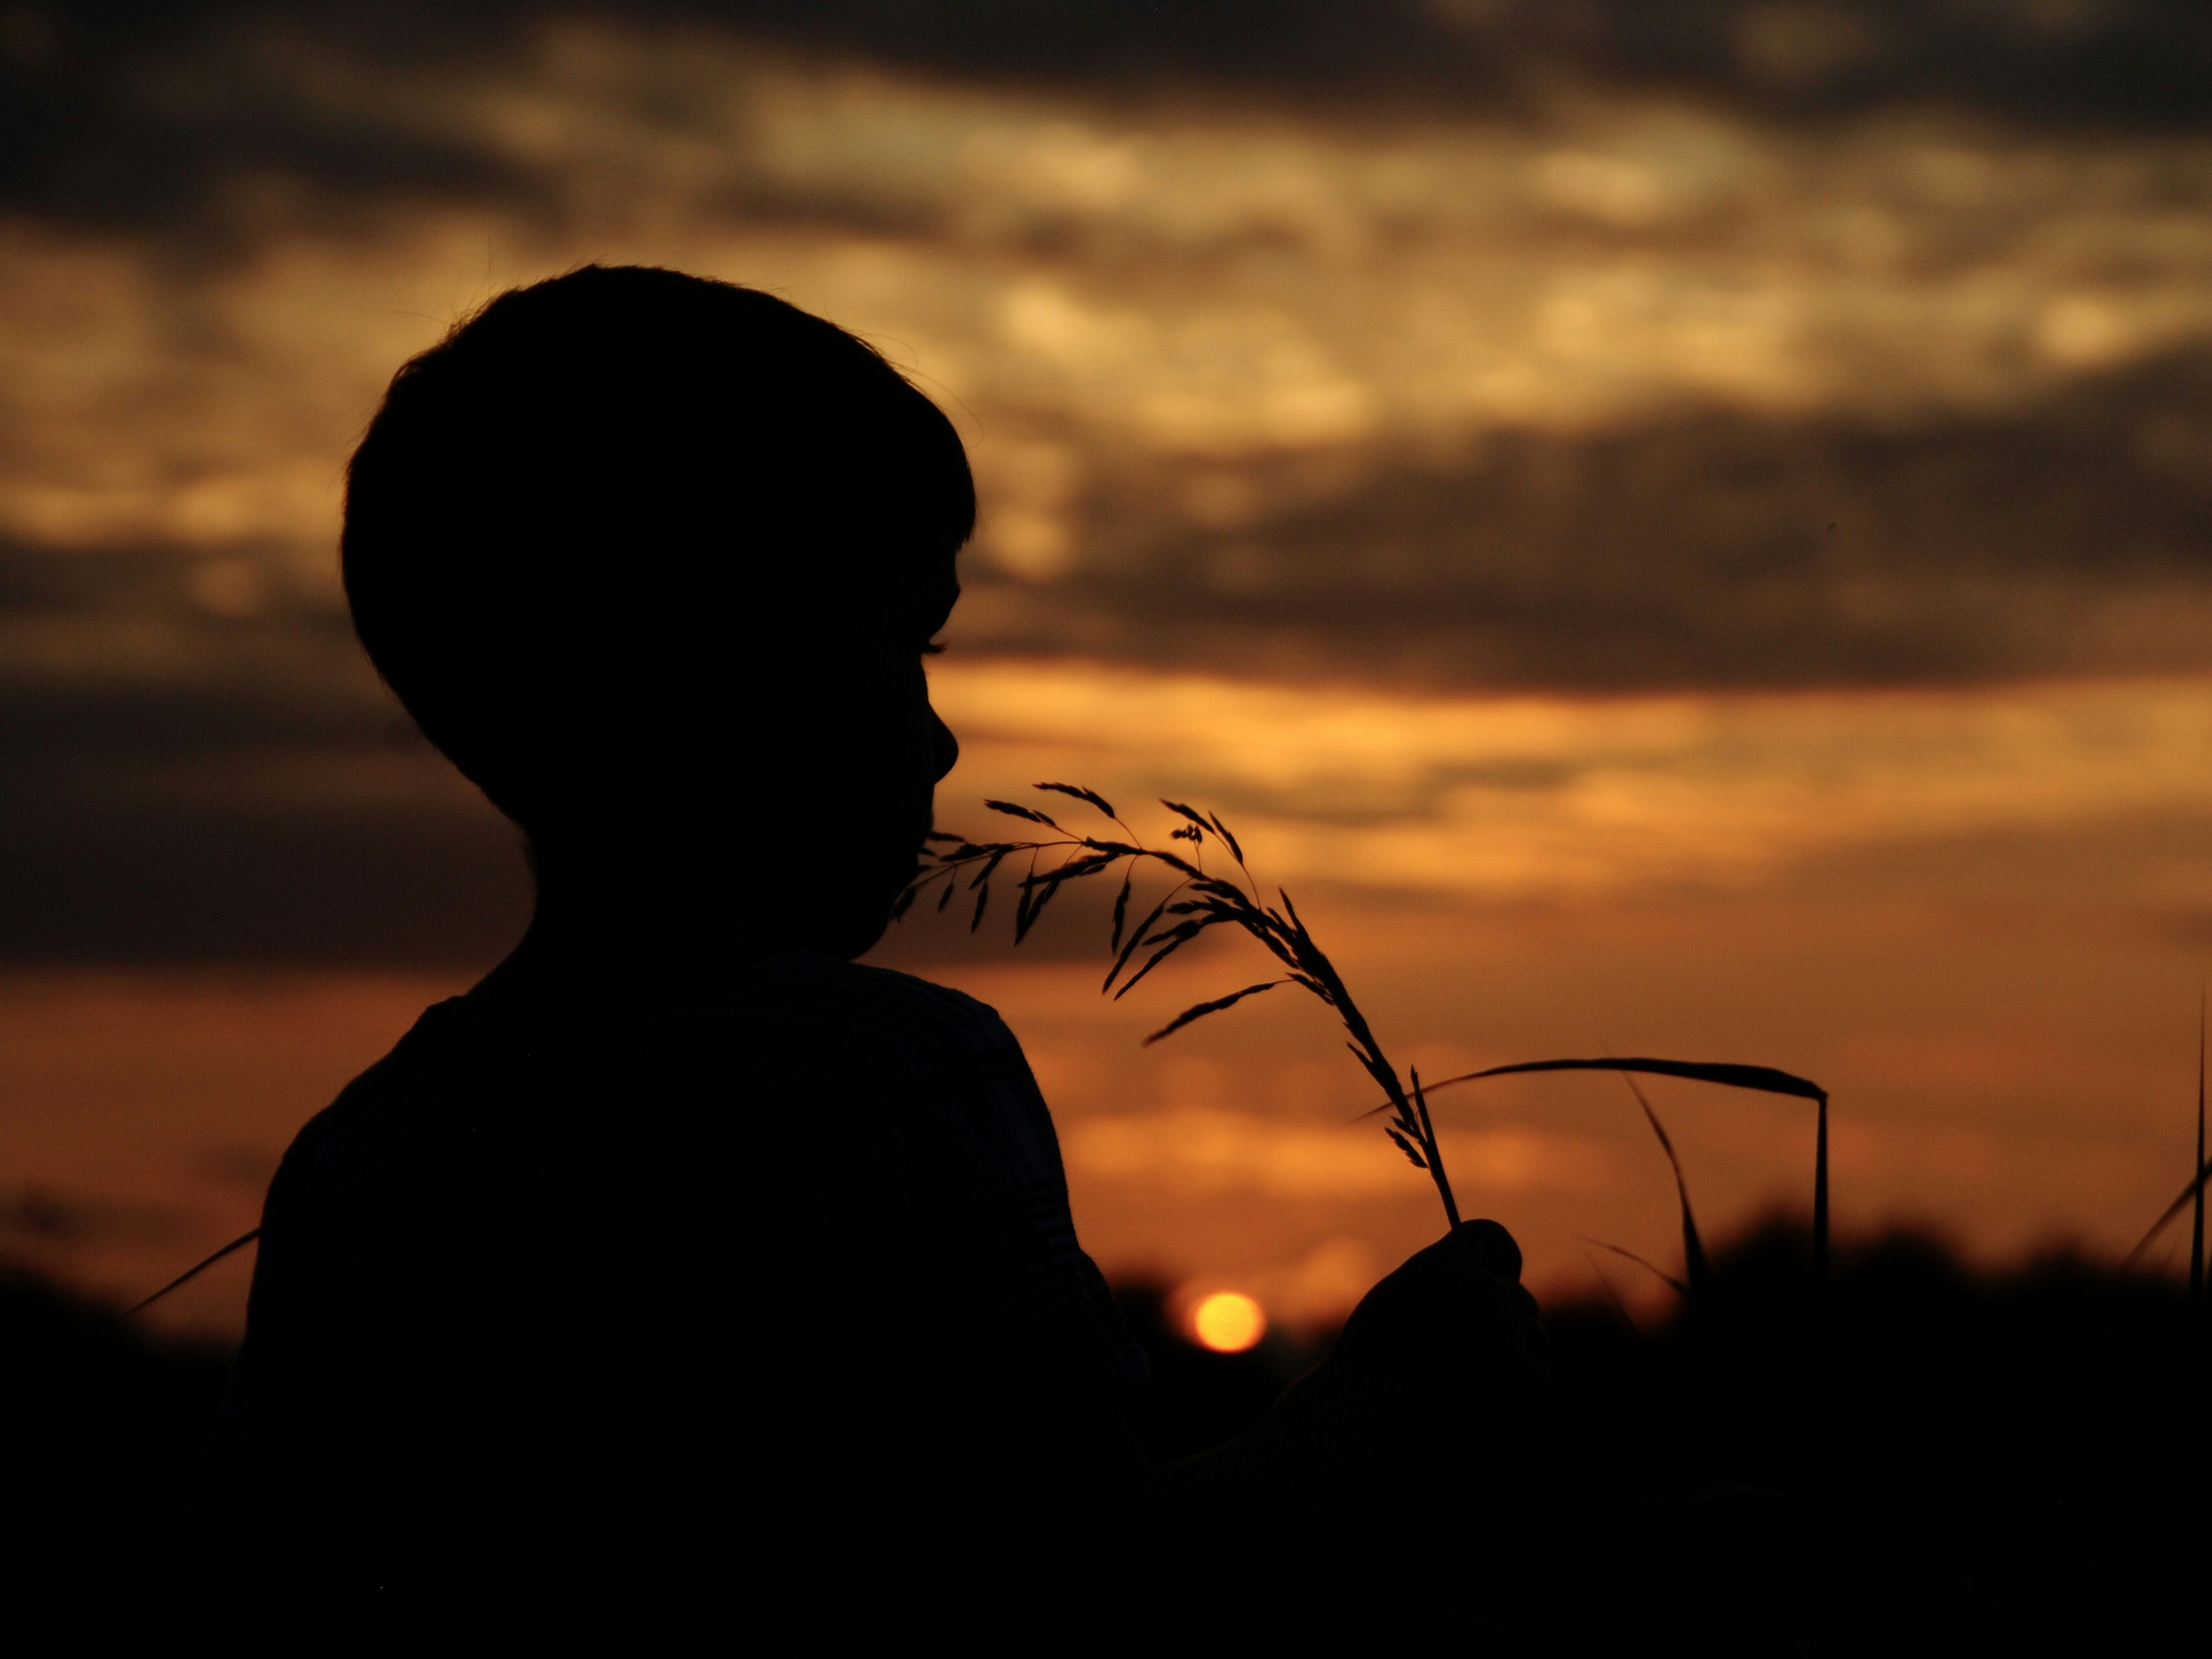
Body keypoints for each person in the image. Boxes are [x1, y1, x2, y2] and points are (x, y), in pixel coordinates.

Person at [193, 266, 1554, 1653]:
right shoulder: (887, 1081)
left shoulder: (361, 1163)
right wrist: (1378, 1405)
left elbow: (268, 1623)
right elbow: (1097, 1600)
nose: (943, 740)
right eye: (908, 649)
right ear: (754, 685)